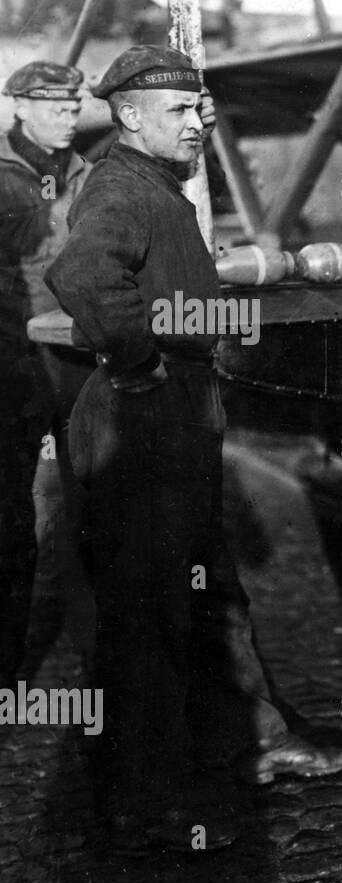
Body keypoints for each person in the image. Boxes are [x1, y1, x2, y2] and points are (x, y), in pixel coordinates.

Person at [45, 46, 342, 856]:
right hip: (140, 414)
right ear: (128, 116)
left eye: (199, 110)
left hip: (178, 410)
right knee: (147, 613)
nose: (195, 124)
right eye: (178, 113)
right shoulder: (120, 189)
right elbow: (83, 276)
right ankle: (143, 806)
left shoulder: (157, 183)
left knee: (210, 587)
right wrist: (140, 359)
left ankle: (250, 736)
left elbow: (163, 283)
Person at [0, 61, 89, 689]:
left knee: (103, 508)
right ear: (19, 107)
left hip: (78, 362)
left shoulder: (85, 170)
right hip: (11, 366)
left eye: (73, 104)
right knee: (7, 524)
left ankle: (114, 665)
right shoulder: (4, 179)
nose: (66, 114)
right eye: (52, 104)